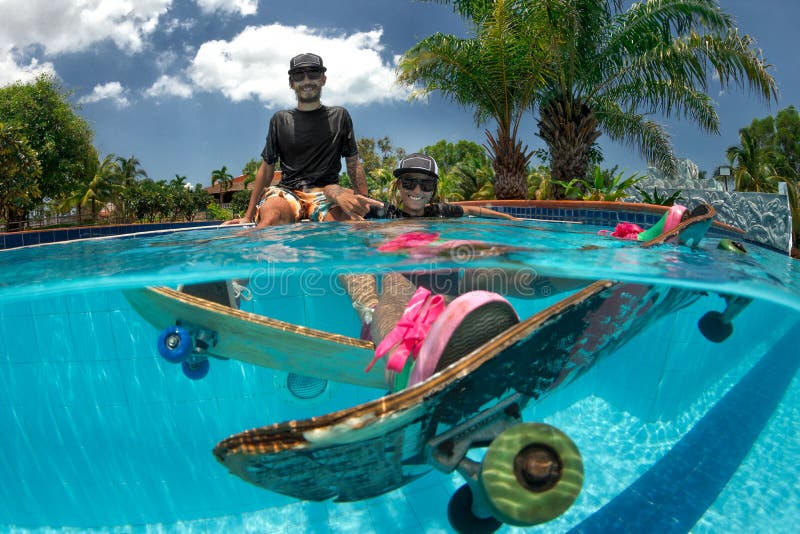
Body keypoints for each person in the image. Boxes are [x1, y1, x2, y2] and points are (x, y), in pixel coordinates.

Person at [225, 52, 372, 227]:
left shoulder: (340, 116)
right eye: (299, 75)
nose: (307, 81)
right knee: (272, 215)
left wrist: (365, 203)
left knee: (340, 224)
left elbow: (353, 163)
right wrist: (248, 216)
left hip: (325, 194)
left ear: (323, 79)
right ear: (291, 83)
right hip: (287, 193)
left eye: (313, 74)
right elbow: (266, 169)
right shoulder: (280, 120)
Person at [324, 153, 518, 221]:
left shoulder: (439, 212)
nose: (417, 191)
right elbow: (339, 206)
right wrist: (337, 193)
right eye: (409, 183)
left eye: (426, 184)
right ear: (399, 186)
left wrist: (510, 218)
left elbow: (474, 211)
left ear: (434, 189)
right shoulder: (385, 213)